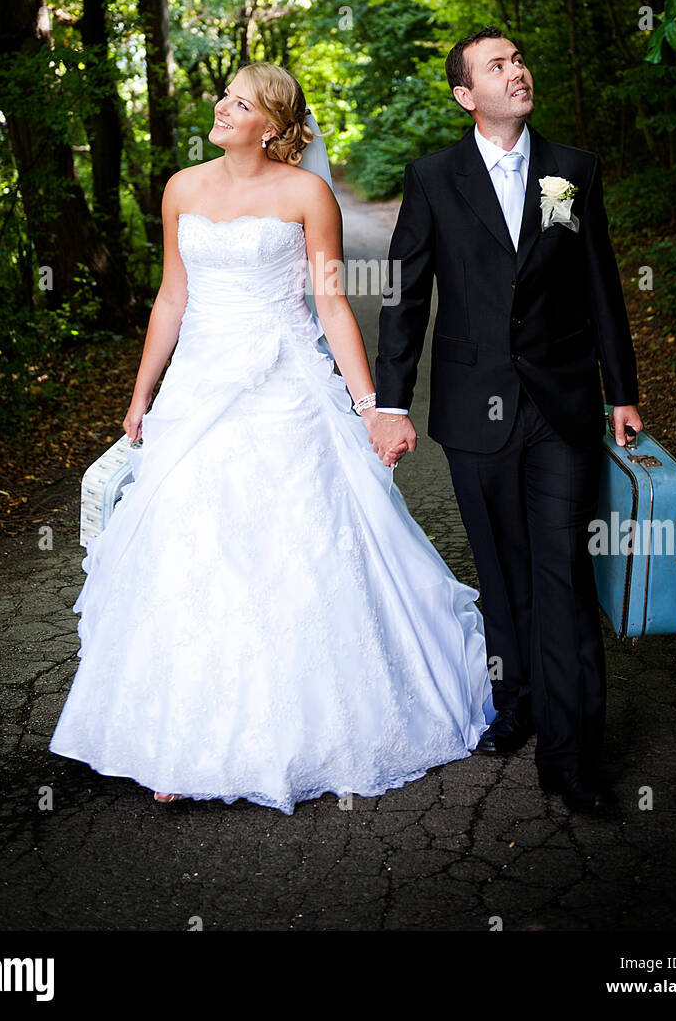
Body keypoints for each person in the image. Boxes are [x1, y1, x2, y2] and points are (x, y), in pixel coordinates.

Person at [49, 61, 494, 813]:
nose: (223, 108)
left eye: (242, 102)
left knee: (293, 548)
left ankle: (303, 729)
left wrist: (371, 405)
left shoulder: (305, 194)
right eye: (223, 95)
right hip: (198, 393)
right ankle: (179, 740)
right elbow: (171, 296)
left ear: (274, 126)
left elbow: (330, 305)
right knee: (191, 551)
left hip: (286, 390)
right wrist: (141, 393)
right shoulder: (182, 188)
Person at [367, 27, 642, 816]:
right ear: (467, 95)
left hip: (560, 406)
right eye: (497, 65)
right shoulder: (433, 178)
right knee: (502, 573)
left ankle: (574, 757)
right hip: (472, 408)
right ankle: (514, 700)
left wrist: (619, 389)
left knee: (561, 574)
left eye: (520, 58)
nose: (517, 70)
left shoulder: (572, 171)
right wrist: (391, 403)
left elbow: (601, 285)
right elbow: (407, 295)